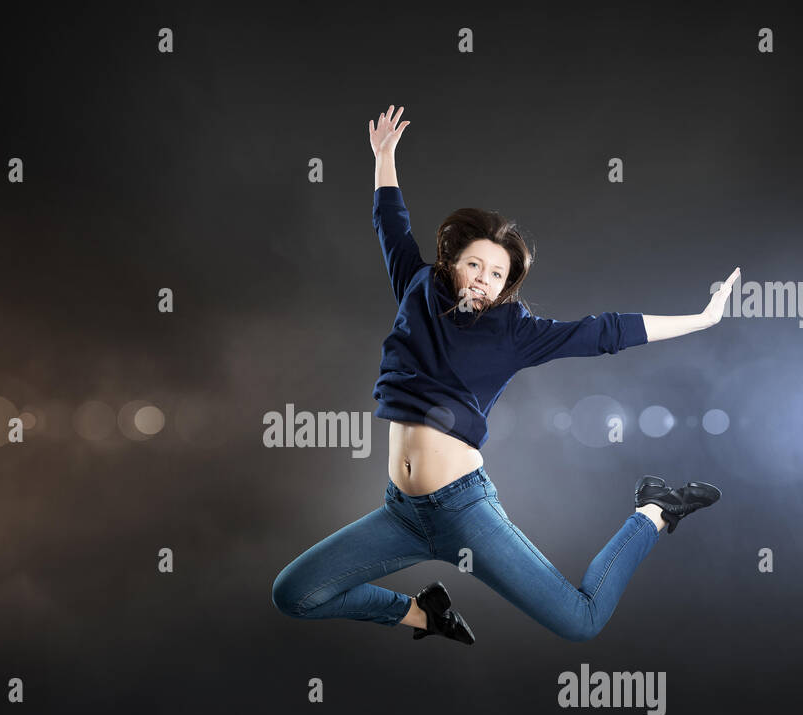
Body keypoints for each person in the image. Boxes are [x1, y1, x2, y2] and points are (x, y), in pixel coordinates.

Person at [271, 104, 729, 645]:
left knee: (579, 621)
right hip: (402, 512)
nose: (484, 280)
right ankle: (426, 615)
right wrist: (385, 156)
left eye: (498, 274)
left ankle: (654, 509)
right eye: (474, 264)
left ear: (506, 285)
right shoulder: (417, 289)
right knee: (294, 594)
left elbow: (605, 331)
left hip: (463, 510)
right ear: (451, 262)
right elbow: (390, 224)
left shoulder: (515, 333)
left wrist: (703, 319)